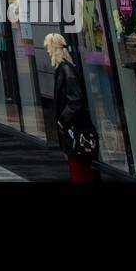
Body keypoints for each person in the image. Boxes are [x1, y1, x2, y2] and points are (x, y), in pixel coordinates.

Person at [46, 32, 98, 182]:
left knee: (78, 169)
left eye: (48, 48)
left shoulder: (66, 70)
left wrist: (62, 120)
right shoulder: (64, 69)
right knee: (78, 167)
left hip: (75, 128)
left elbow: (75, 100)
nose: (48, 52)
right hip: (73, 127)